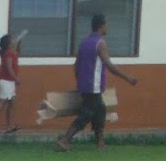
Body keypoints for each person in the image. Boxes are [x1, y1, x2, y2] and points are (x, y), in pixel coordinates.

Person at [58, 14, 137, 151]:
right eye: (106, 24)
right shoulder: (100, 43)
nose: (108, 27)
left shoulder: (84, 42)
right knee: (86, 114)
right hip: (93, 86)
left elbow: (76, 65)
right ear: (101, 26)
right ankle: (65, 140)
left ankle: (100, 142)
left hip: (85, 85)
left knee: (100, 110)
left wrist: (80, 82)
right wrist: (127, 78)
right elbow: (109, 65)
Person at [0, 30, 25, 134]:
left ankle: (10, 126)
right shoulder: (8, 53)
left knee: (11, 103)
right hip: (6, 82)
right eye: (12, 40)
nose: (14, 41)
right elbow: (9, 67)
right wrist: (16, 78)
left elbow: (18, 52)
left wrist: (20, 42)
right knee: (2, 103)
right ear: (9, 43)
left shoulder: (10, 53)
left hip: (8, 82)